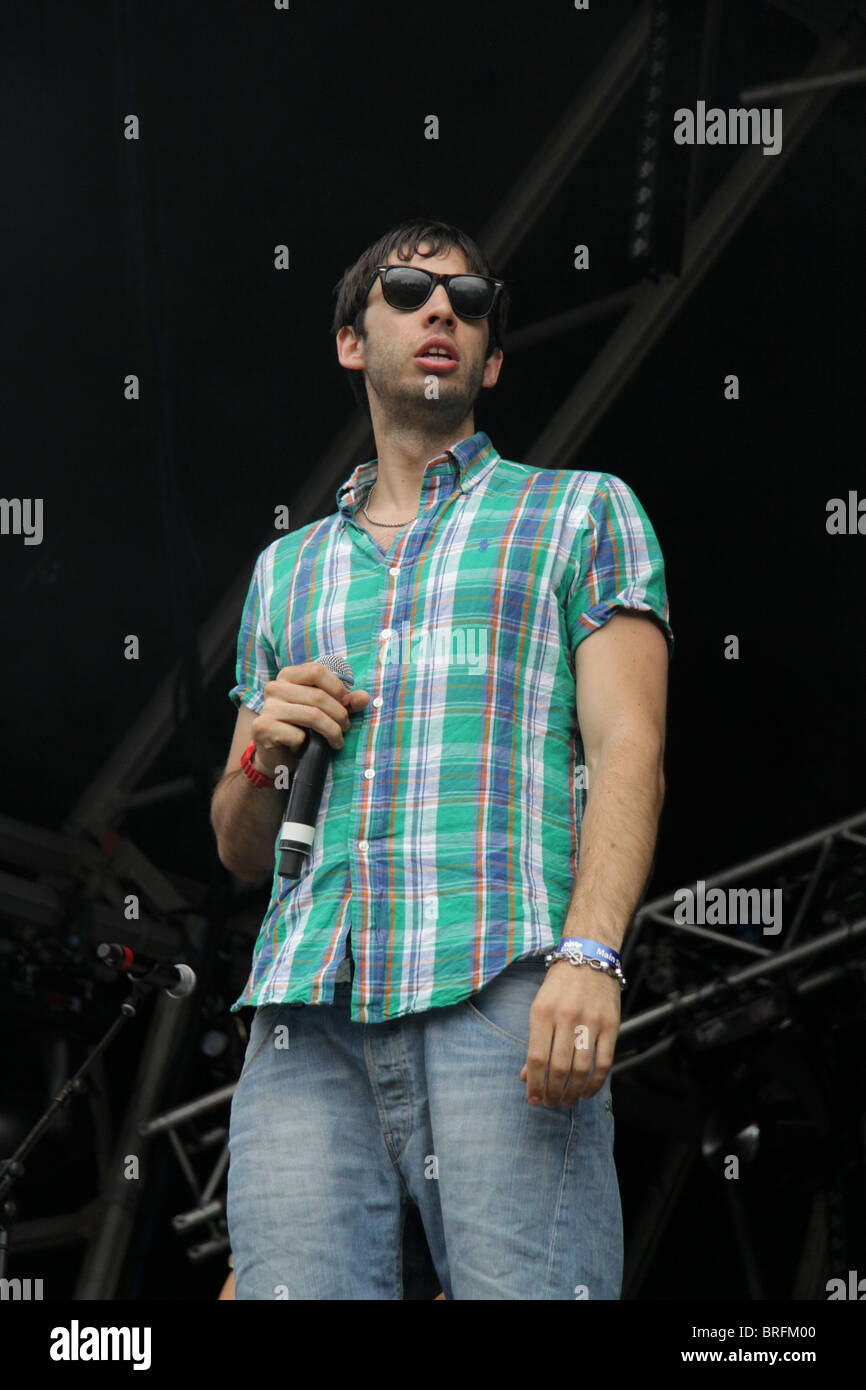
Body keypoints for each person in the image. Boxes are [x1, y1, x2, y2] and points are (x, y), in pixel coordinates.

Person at [210, 217, 674, 1300]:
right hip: (303, 1017)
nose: (439, 312)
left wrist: (592, 955)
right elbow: (240, 851)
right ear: (348, 338)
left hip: (498, 992)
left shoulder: (579, 511)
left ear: (490, 359)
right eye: (408, 288)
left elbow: (628, 747)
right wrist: (258, 755)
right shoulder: (285, 573)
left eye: (469, 305)